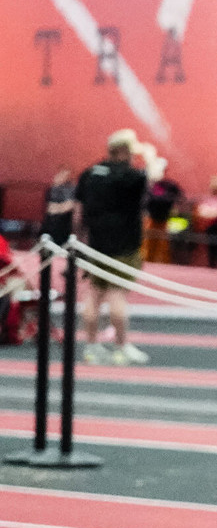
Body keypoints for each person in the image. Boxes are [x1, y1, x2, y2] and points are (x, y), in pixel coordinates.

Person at [75, 131, 149, 365]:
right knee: (117, 294)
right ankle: (121, 346)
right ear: (125, 151)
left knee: (94, 294)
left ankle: (91, 347)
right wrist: (148, 158)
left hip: (95, 244)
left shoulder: (89, 174)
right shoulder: (131, 176)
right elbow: (149, 185)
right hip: (124, 245)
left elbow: (78, 214)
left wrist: (80, 242)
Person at [41, 167, 77, 244]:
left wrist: (58, 208)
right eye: (61, 175)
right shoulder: (52, 189)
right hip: (52, 220)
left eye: (65, 175)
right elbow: (50, 208)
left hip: (66, 221)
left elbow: (69, 206)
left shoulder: (72, 189)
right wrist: (60, 207)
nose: (62, 177)